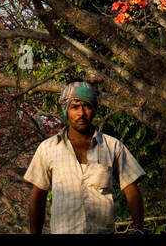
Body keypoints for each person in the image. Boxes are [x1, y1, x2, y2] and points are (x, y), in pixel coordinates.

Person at [24, 80, 146, 233]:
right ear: (66, 110)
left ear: (94, 109)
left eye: (87, 106)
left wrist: (139, 230)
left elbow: (131, 189)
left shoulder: (112, 146)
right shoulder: (48, 148)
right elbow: (38, 198)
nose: (81, 113)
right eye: (75, 107)